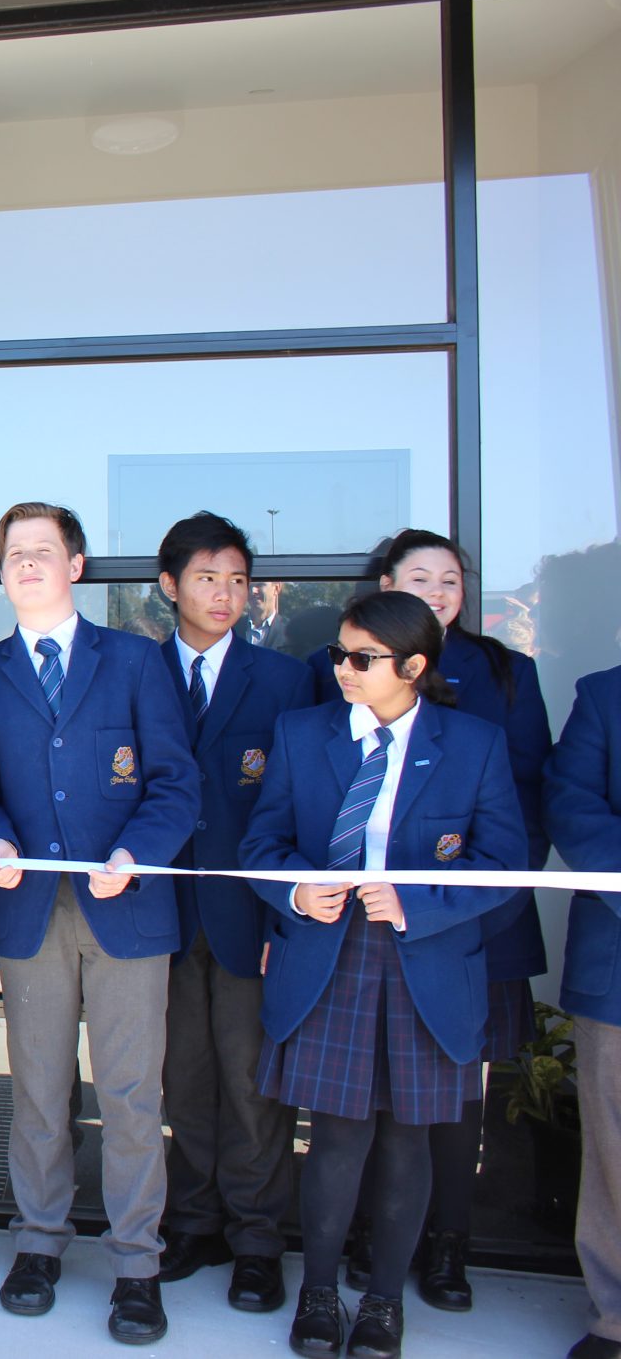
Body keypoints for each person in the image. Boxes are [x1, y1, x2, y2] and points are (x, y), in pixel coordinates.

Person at [243, 591, 525, 1359]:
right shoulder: (303, 732)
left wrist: (418, 900)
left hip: (422, 958)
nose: (344, 668)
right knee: (336, 1136)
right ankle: (318, 1293)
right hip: (328, 953)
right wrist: (296, 891)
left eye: (362, 657)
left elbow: (504, 863)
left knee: (408, 1140)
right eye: (340, 653)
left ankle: (384, 1303)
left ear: (414, 665)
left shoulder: (473, 744)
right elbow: (262, 844)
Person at [0, 502, 197, 1346]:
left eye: (43, 550)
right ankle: (39, 1241)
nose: (27, 563)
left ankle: (137, 1263)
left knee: (131, 1094)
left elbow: (176, 784)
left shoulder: (134, 660)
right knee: (38, 1090)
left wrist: (136, 852)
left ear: (77, 565)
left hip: (127, 906)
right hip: (32, 910)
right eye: (13, 554)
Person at [339, 529, 552, 1308]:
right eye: (420, 577)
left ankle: (448, 1243)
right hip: (371, 927)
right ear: (387, 584)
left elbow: (530, 798)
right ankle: (369, 1231)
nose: (438, 591)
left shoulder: (506, 670)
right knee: (370, 1088)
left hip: (480, 919)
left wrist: (476, 899)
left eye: (451, 579)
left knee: (460, 1094)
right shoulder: (352, 664)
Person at [150, 514, 312, 1313]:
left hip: (252, 916)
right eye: (208, 577)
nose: (225, 594)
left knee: (253, 1085)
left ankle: (257, 1238)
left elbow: (306, 807)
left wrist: (291, 917)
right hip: (161, 913)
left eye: (238, 580)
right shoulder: (137, 671)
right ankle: (192, 1220)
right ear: (169, 584)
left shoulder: (284, 679)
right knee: (181, 1079)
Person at [545, 662, 621, 1359]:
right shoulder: (604, 695)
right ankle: (615, 1316)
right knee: (614, 1147)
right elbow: (571, 804)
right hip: (618, 959)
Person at [249, 581, 289, 650]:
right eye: (248, 586)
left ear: (276, 588)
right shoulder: (232, 629)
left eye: (260, 584)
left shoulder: (289, 631)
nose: (252, 591)